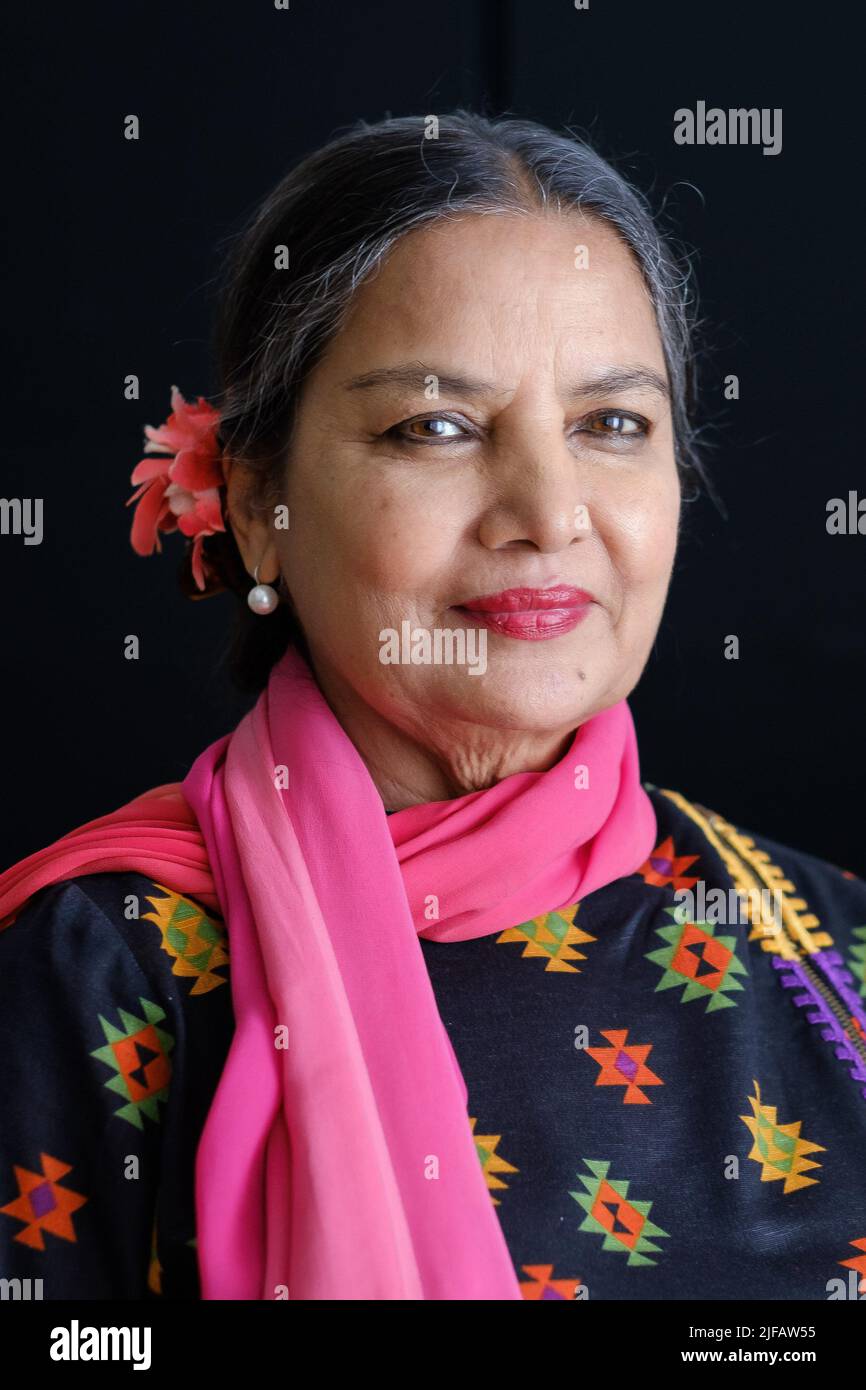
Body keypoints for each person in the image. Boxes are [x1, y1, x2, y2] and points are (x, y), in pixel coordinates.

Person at [1, 110, 864, 1303]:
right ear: (259, 507)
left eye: (609, 424)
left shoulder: (829, 952)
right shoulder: (97, 970)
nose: (547, 512)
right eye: (436, 427)